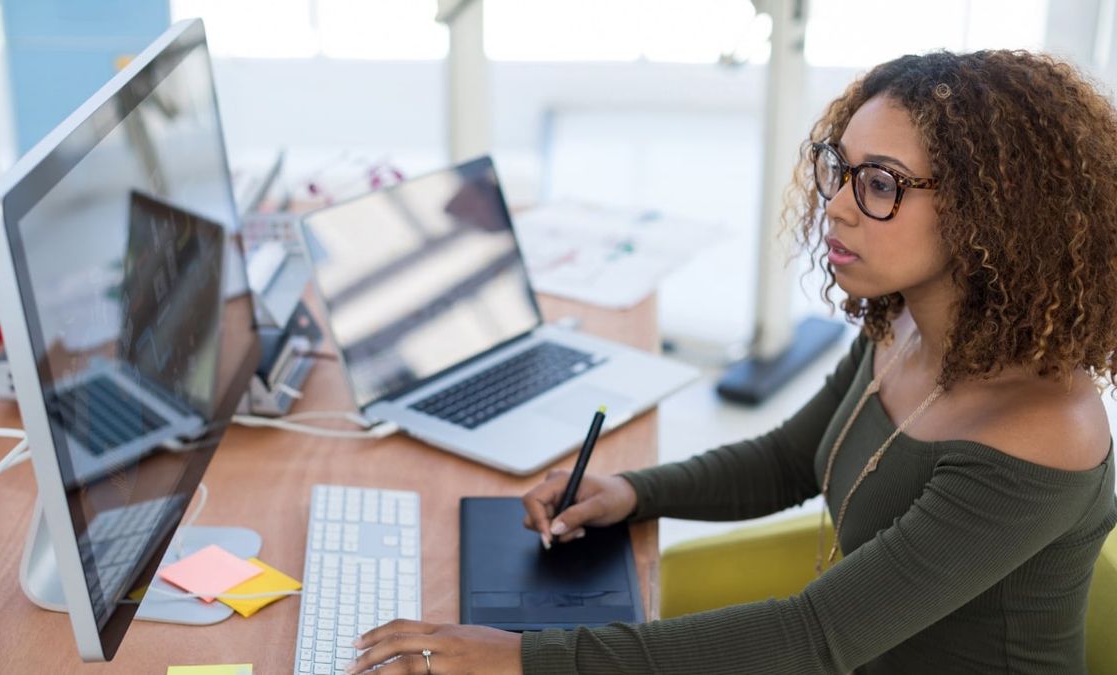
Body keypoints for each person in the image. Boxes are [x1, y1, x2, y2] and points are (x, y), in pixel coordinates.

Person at [346, 49, 1117, 674]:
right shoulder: (906, 323)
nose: (840, 205)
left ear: (992, 214)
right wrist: (631, 492)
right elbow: (792, 457)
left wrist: (519, 658)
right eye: (839, 167)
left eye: (880, 183)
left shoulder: (1043, 432)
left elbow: (811, 639)